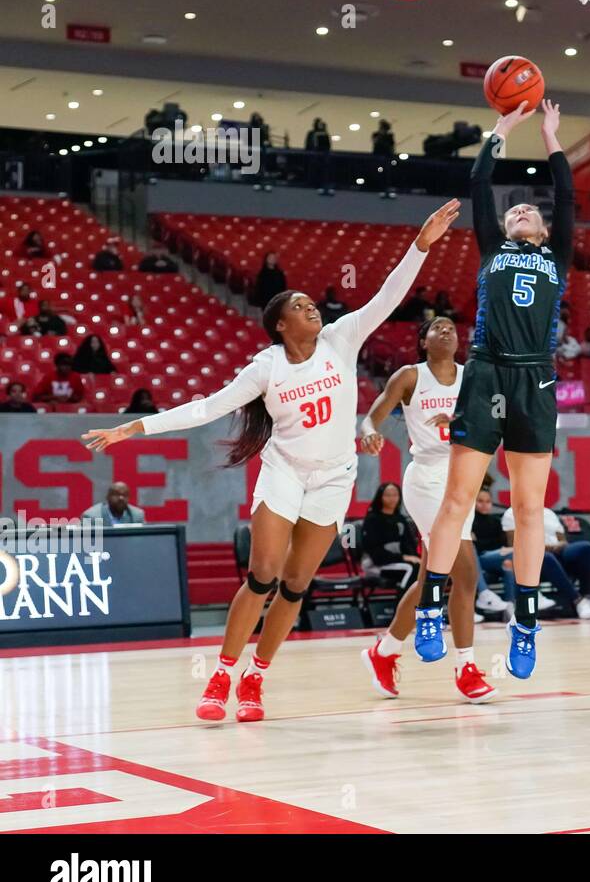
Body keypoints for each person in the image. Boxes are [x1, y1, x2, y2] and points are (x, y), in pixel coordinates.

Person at [81, 200, 461, 723]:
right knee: (263, 574)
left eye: (312, 304)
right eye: (300, 307)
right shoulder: (267, 367)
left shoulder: (341, 340)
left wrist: (421, 244)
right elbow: (207, 407)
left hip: (334, 478)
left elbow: (387, 296)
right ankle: (222, 673)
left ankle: (257, 677)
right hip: (284, 471)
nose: (312, 310)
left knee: (298, 584)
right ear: (280, 325)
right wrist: (135, 426)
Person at [412, 101, 572, 682]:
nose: (523, 208)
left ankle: (524, 623)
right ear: (503, 228)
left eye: (532, 208)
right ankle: (432, 606)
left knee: (529, 508)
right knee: (457, 500)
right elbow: (481, 180)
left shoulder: (557, 255)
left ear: (546, 230)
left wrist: (552, 139)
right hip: (485, 373)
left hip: (536, 378)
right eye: (516, 210)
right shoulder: (491, 248)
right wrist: (501, 130)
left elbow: (567, 195)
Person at [359, 315, 499, 702]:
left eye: (452, 326)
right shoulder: (410, 375)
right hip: (427, 480)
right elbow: (375, 413)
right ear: (424, 342)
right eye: (437, 327)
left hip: (462, 480)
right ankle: (465, 668)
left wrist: (462, 422)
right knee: (466, 572)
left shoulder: (472, 374)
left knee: (430, 581)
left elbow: (492, 420)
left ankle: (383, 651)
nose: (448, 330)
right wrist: (370, 431)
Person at [501, 505, 590, 619]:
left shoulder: (548, 512)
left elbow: (563, 540)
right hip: (532, 555)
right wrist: (542, 547)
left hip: (556, 550)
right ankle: (577, 600)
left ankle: (586, 597)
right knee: (545, 557)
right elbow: (515, 544)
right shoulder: (511, 513)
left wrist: (558, 545)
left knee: (586, 547)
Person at [358, 481, 421, 590]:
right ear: (380, 497)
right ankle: (401, 605)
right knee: (411, 569)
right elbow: (374, 552)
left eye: (395, 495)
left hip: (398, 561)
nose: (392, 498)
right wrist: (403, 557)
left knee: (422, 567)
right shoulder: (372, 520)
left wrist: (415, 557)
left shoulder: (401, 519)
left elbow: (409, 544)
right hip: (375, 564)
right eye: (388, 495)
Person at [80, 481, 145, 527]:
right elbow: (86, 544)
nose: (121, 498)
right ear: (108, 497)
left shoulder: (136, 515)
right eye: (116, 494)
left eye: (125, 495)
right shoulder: (91, 516)